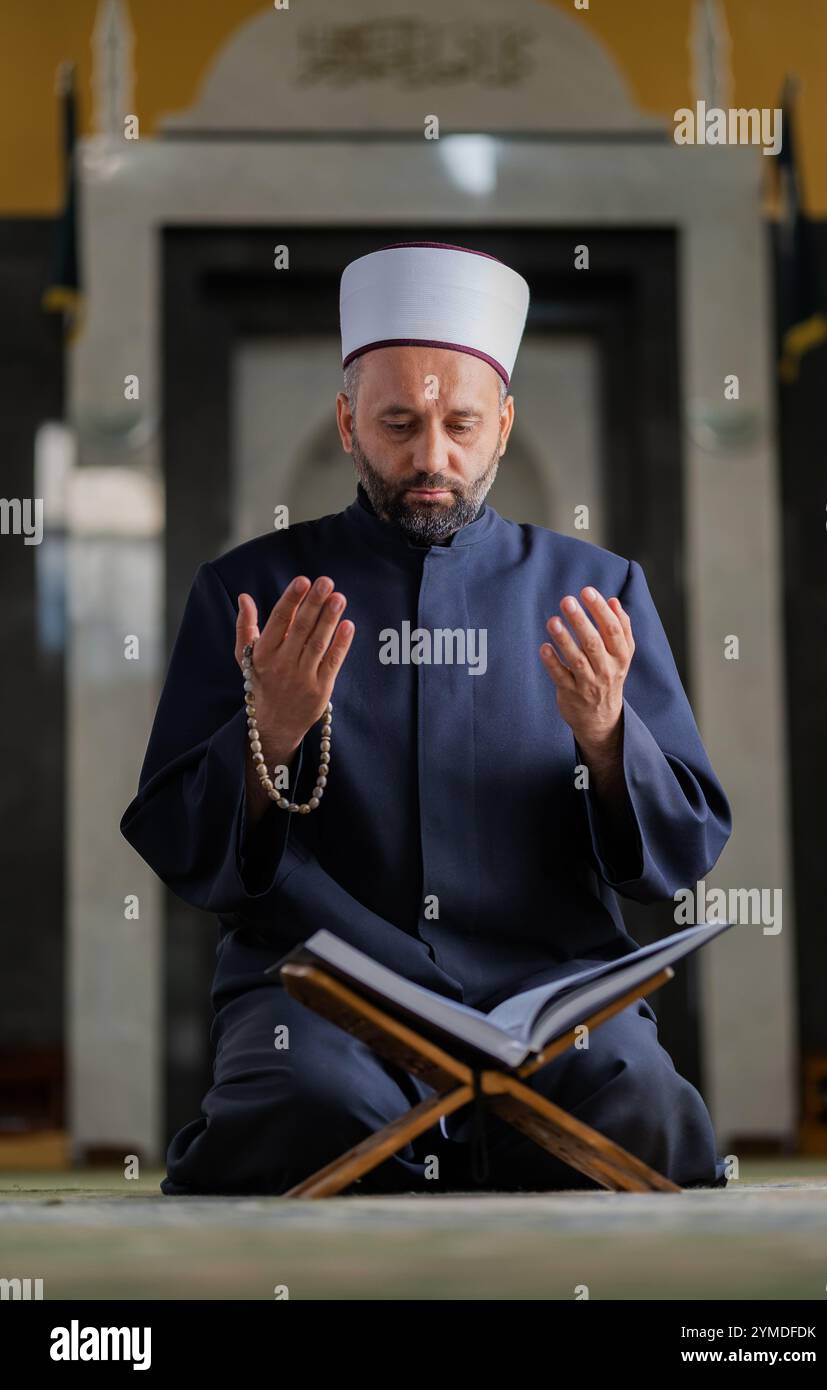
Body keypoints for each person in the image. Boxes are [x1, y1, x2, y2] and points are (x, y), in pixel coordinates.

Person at [120, 242, 732, 1195]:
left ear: (504, 426)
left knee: (641, 1109)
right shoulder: (248, 590)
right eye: (399, 424)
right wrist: (267, 738)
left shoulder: (599, 590)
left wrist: (610, 740)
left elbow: (682, 846)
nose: (432, 459)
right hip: (326, 989)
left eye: (461, 426)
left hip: (548, 988)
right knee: (307, 1108)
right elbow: (176, 836)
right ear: (348, 422)